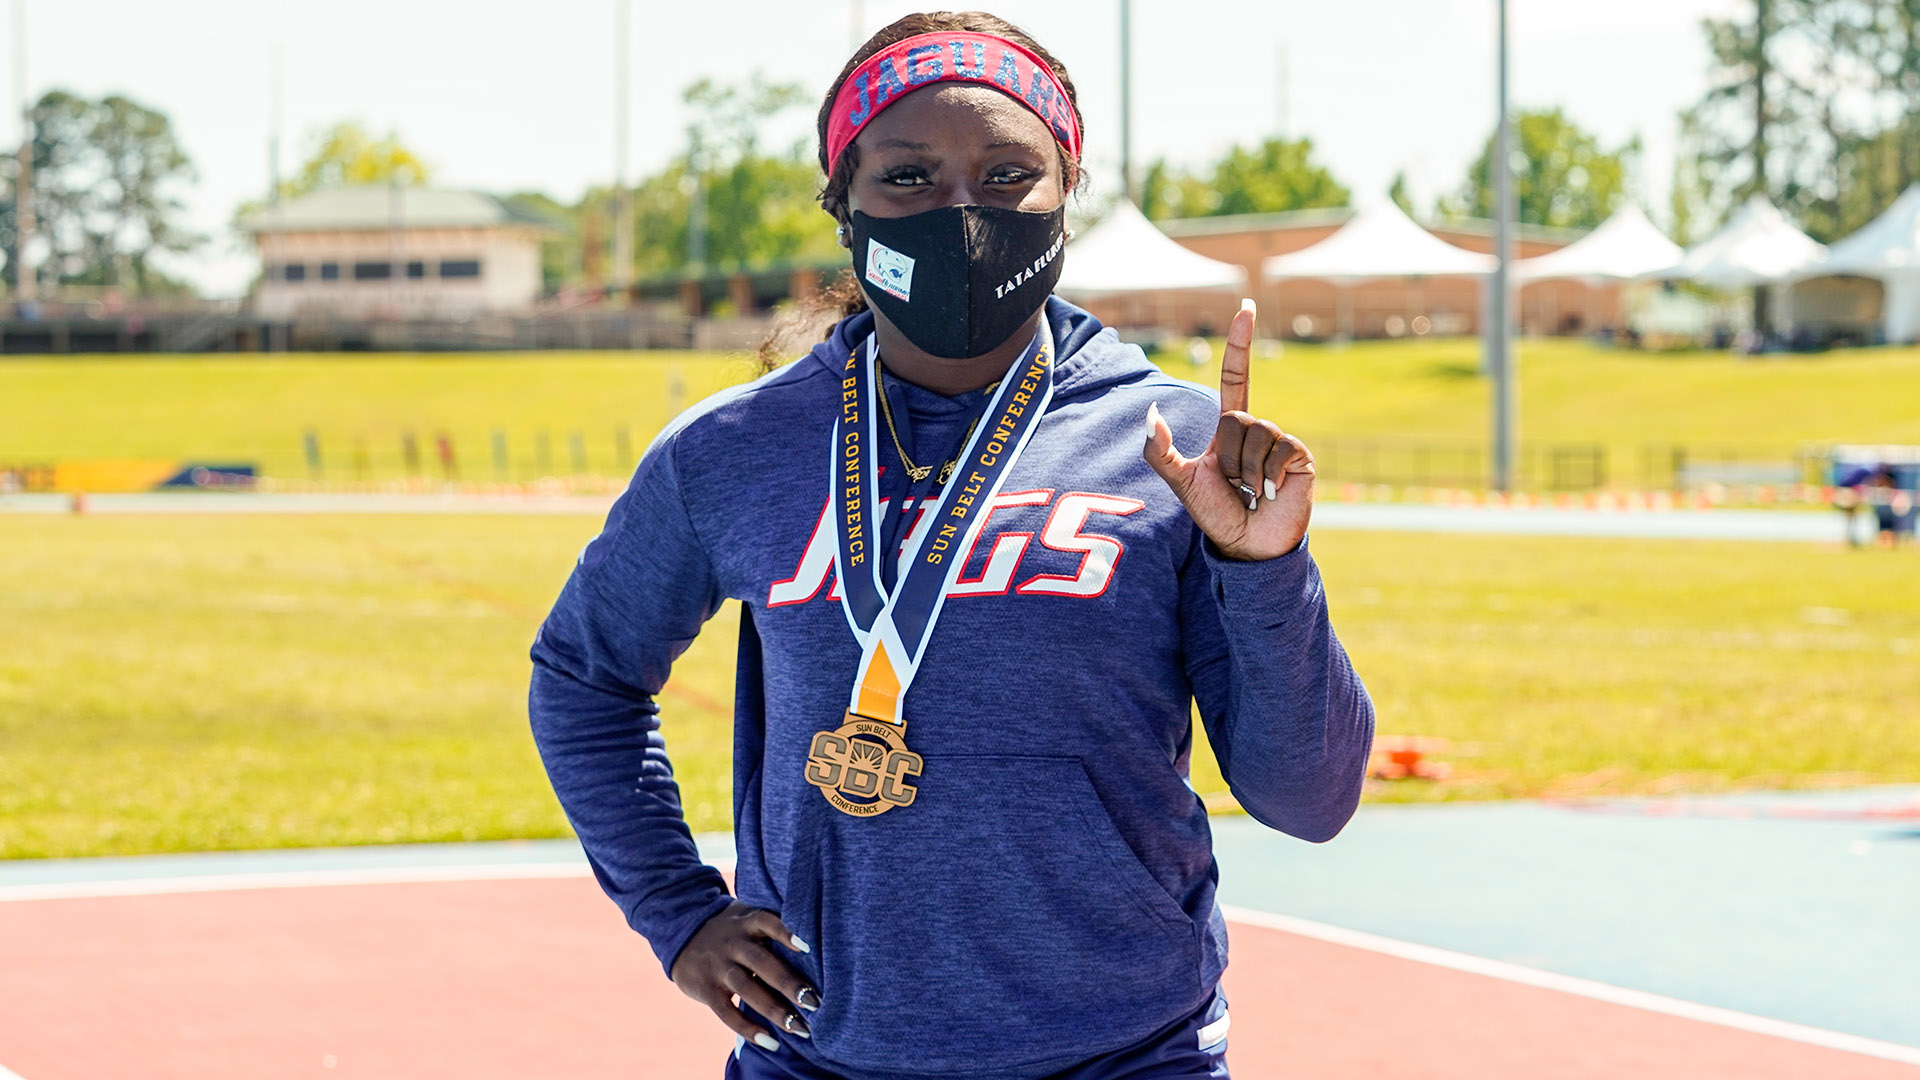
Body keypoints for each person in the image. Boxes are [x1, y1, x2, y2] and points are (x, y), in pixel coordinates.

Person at [528, 12, 1374, 1079]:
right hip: (820, 1058)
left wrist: (1265, 570)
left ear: (1069, 195)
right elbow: (582, 675)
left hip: (1125, 1056)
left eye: (1008, 174)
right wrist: (676, 912)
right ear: (845, 205)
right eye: (910, 177)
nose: (962, 212)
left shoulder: (1175, 449)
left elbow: (1311, 799)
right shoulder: (732, 452)